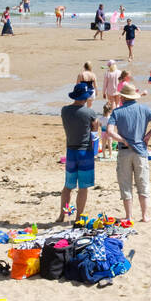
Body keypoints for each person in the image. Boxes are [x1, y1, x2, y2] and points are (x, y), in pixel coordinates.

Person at [104, 82, 151, 223]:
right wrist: (148, 135)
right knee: (142, 184)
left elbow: (110, 132)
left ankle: (129, 216)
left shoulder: (117, 112)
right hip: (140, 151)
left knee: (125, 184)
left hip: (125, 151)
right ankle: (144, 215)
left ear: (123, 97)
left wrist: (123, 140)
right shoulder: (143, 109)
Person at [60, 82, 95, 222]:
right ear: (86, 97)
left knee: (68, 186)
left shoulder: (64, 110)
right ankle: (78, 217)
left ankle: (63, 215)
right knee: (83, 187)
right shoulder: (90, 112)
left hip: (71, 151)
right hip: (85, 151)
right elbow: (94, 132)